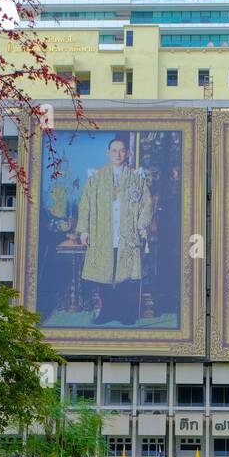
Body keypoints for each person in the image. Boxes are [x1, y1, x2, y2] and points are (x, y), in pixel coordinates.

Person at [76, 137, 152, 326]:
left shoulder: (137, 178)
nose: (118, 154)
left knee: (125, 277)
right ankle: (107, 312)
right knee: (105, 276)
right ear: (108, 153)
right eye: (114, 150)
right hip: (103, 234)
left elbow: (147, 204)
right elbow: (85, 204)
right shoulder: (96, 178)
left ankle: (125, 313)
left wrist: (142, 224)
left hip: (127, 234)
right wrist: (84, 230)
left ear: (127, 153)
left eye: (122, 150)